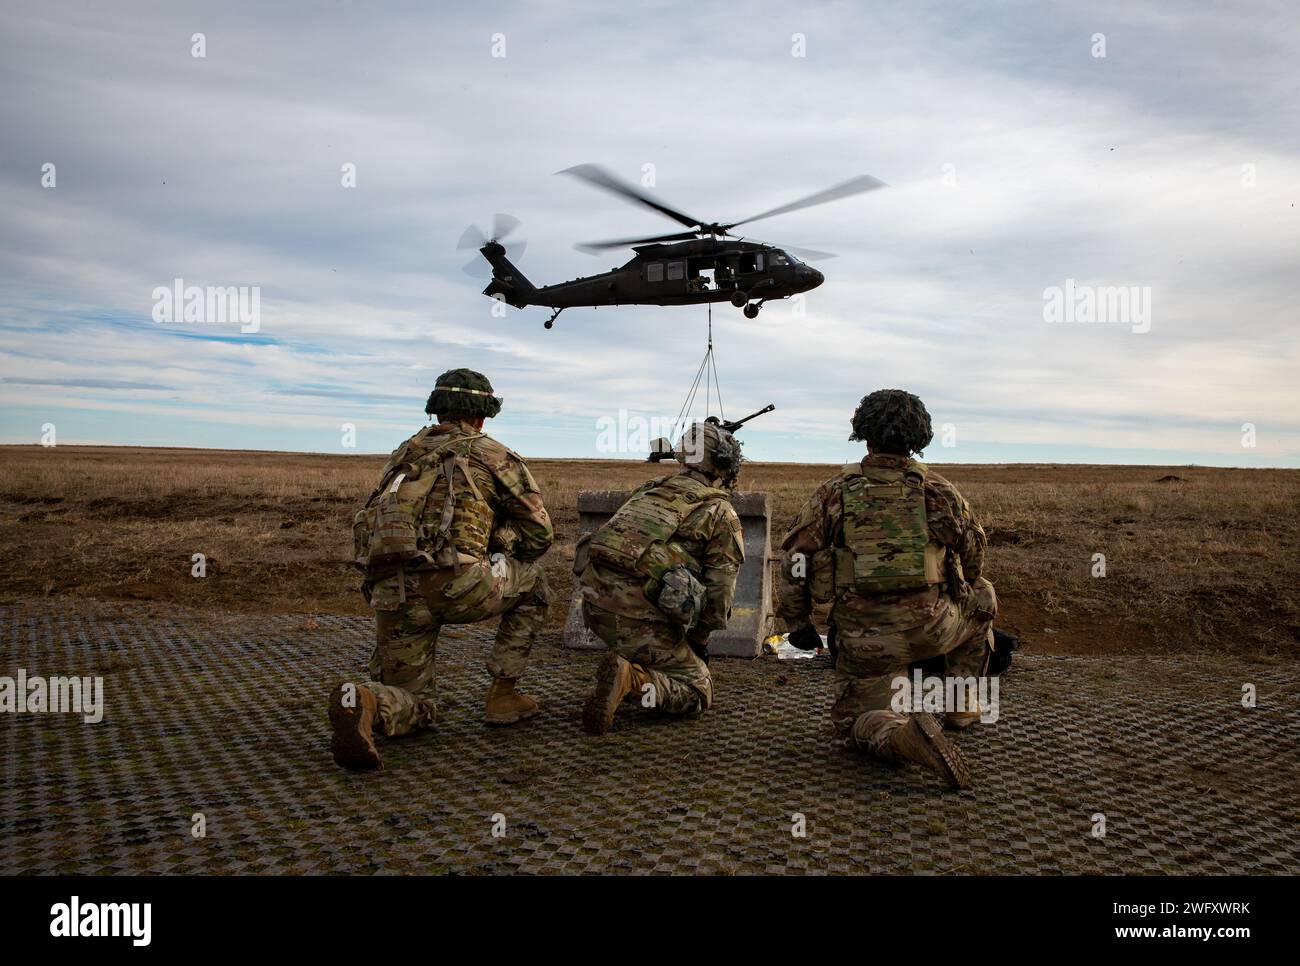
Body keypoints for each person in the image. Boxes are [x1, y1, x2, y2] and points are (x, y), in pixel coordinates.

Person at [329, 368, 553, 770]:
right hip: (461, 586)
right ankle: (502, 696)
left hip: (392, 591)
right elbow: (540, 535)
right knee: (535, 584)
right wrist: (501, 543)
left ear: (437, 411)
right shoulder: (494, 454)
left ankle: (371, 703)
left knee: (417, 704)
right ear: (483, 416)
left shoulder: (405, 453)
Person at [776, 389, 997, 789]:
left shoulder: (834, 493)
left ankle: (901, 736)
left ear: (864, 435)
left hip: (866, 642)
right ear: (918, 437)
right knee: (983, 595)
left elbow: (796, 560)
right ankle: (962, 704)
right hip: (935, 631)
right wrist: (958, 584)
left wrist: (797, 620)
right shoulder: (940, 491)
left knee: (857, 722)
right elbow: (974, 555)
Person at [577, 421, 744, 734]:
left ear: (682, 458)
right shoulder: (720, 512)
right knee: (698, 691)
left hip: (595, 609)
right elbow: (720, 593)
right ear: (723, 466)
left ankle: (632, 663)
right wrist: (699, 640)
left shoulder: (649, 490)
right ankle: (633, 681)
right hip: (638, 623)